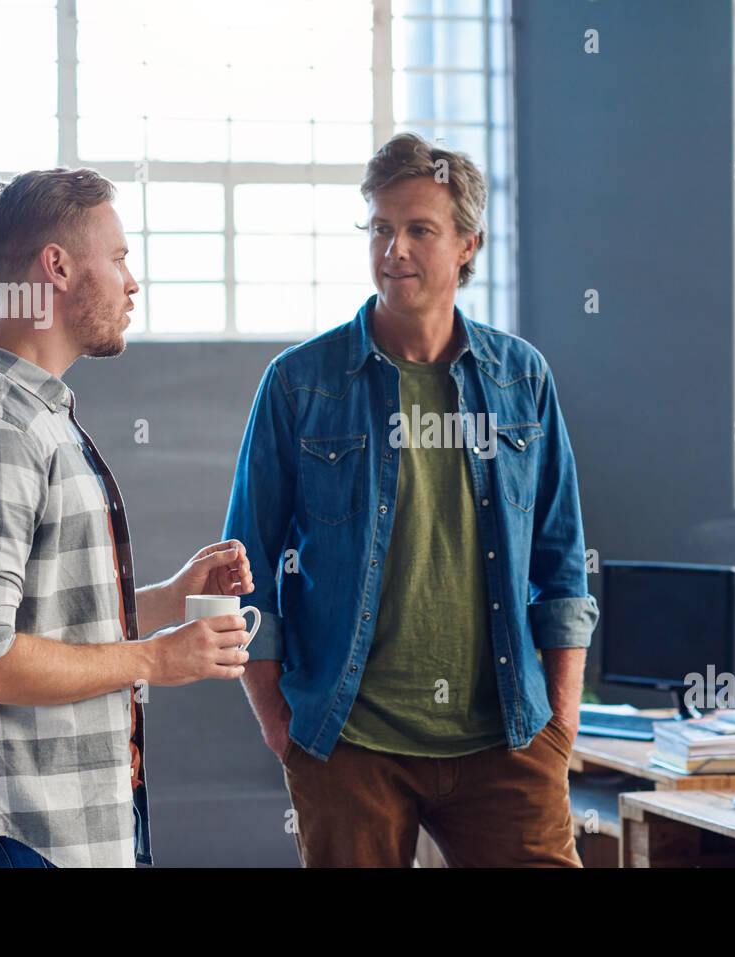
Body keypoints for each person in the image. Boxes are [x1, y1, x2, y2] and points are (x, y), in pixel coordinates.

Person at [223, 132, 598, 867]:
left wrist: (560, 717)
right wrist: (280, 721)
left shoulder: (522, 377)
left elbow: (562, 559)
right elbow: (245, 567)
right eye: (380, 228)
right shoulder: (301, 383)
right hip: (349, 739)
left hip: (507, 736)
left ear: (467, 243)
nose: (394, 249)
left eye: (419, 230)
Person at [0, 168, 255, 868]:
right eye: (118, 258)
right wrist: (156, 657)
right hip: (20, 838)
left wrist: (167, 599)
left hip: (77, 832)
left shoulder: (39, 420)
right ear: (56, 266)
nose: (132, 282)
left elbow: (42, 629)